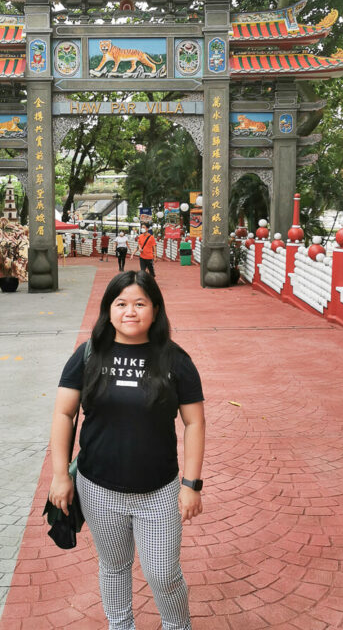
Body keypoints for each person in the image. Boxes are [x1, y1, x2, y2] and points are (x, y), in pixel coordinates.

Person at [49, 270, 205, 630]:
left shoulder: (175, 359)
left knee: (164, 574)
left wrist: (191, 484)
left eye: (139, 303)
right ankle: (120, 626)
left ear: (155, 309)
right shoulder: (88, 355)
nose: (130, 311)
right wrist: (60, 475)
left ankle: (177, 626)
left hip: (159, 492)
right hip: (98, 488)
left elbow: (195, 423)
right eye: (121, 303)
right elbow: (63, 413)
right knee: (114, 567)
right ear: (108, 310)